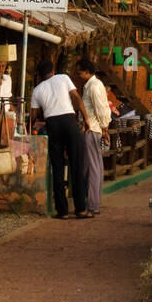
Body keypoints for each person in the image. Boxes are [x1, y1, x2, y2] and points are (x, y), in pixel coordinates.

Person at [29, 60, 90, 219]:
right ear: (53, 70)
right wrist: (86, 118)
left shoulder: (37, 90)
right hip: (69, 120)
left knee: (57, 166)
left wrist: (30, 127)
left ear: (39, 75)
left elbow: (34, 115)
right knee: (76, 163)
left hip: (52, 124)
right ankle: (81, 209)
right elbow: (76, 97)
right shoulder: (63, 78)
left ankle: (62, 211)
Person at [75, 57, 111, 217]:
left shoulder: (94, 87)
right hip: (94, 129)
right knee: (94, 166)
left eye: (79, 72)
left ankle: (92, 204)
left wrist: (104, 128)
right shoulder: (91, 85)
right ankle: (93, 203)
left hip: (92, 130)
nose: (78, 75)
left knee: (92, 167)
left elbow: (101, 109)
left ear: (86, 72)